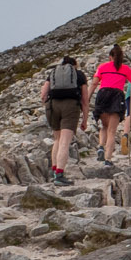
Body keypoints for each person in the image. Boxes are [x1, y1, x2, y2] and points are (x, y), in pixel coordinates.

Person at [39, 55, 88, 185]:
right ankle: (60, 175)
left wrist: (48, 105)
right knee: (65, 142)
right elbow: (85, 99)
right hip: (70, 106)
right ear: (74, 65)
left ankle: (54, 171)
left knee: (57, 139)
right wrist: (85, 119)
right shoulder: (79, 75)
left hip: (53, 105)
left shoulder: (54, 73)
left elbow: (43, 94)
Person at [92, 44, 131, 164]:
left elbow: (94, 83)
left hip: (103, 95)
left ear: (110, 56)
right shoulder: (125, 68)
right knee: (112, 131)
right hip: (117, 97)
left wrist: (87, 96)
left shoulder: (102, 67)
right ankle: (108, 159)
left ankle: (101, 146)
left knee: (104, 126)